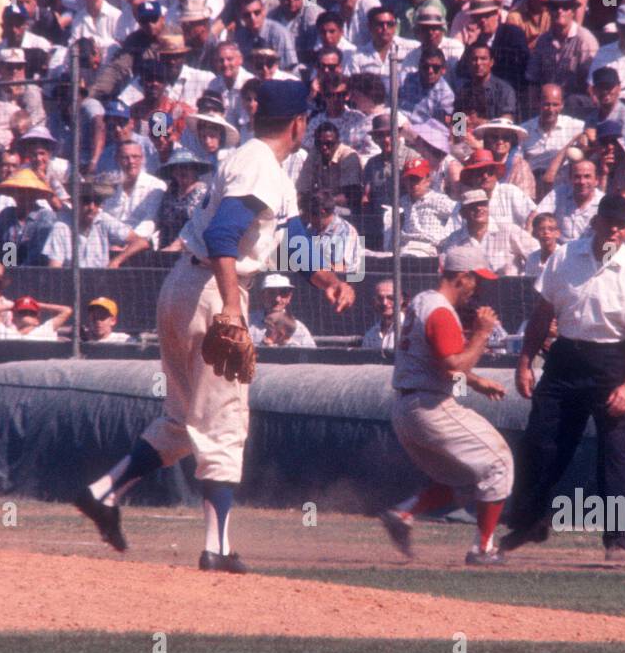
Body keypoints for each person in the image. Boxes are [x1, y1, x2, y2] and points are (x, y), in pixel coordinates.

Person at [73, 81, 355, 574]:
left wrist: (326, 277)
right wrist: (230, 307)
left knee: (186, 419)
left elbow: (288, 236)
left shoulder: (260, 164)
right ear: (297, 125)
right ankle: (217, 549)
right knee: (224, 423)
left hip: (185, 285)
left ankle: (104, 493)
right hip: (212, 290)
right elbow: (225, 234)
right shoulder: (260, 166)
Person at [503, 194, 625, 563]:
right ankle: (529, 522)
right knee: (540, 442)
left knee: (617, 455)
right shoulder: (564, 256)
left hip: (614, 362)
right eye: (607, 222)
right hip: (565, 358)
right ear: (595, 221)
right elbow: (543, 312)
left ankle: (620, 542)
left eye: (620, 225)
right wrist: (525, 362)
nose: (613, 230)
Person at [378, 242, 515, 566]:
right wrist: (482, 334)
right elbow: (454, 366)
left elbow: (441, 365)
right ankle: (482, 550)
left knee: (467, 478)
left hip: (406, 409)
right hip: (429, 408)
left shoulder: (422, 301)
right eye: (475, 279)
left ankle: (404, 513)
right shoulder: (440, 311)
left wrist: (477, 383)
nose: (477, 287)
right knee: (500, 462)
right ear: (462, 277)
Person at [248, 273, 316, 347]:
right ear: (262, 296)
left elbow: (312, 356)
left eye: (283, 293)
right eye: (271, 293)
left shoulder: (299, 328)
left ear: (289, 297)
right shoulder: (247, 323)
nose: (277, 299)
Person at [0, 294, 72, 340]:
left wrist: (36, 304)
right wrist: (14, 305)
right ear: (14, 318)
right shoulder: (5, 332)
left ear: (37, 320)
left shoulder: (45, 329)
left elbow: (66, 311)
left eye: (31, 312)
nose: (27, 315)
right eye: (22, 312)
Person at [362, 278, 397, 351]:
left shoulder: (410, 330)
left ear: (401, 300)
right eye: (380, 298)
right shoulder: (370, 335)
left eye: (390, 298)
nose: (384, 303)